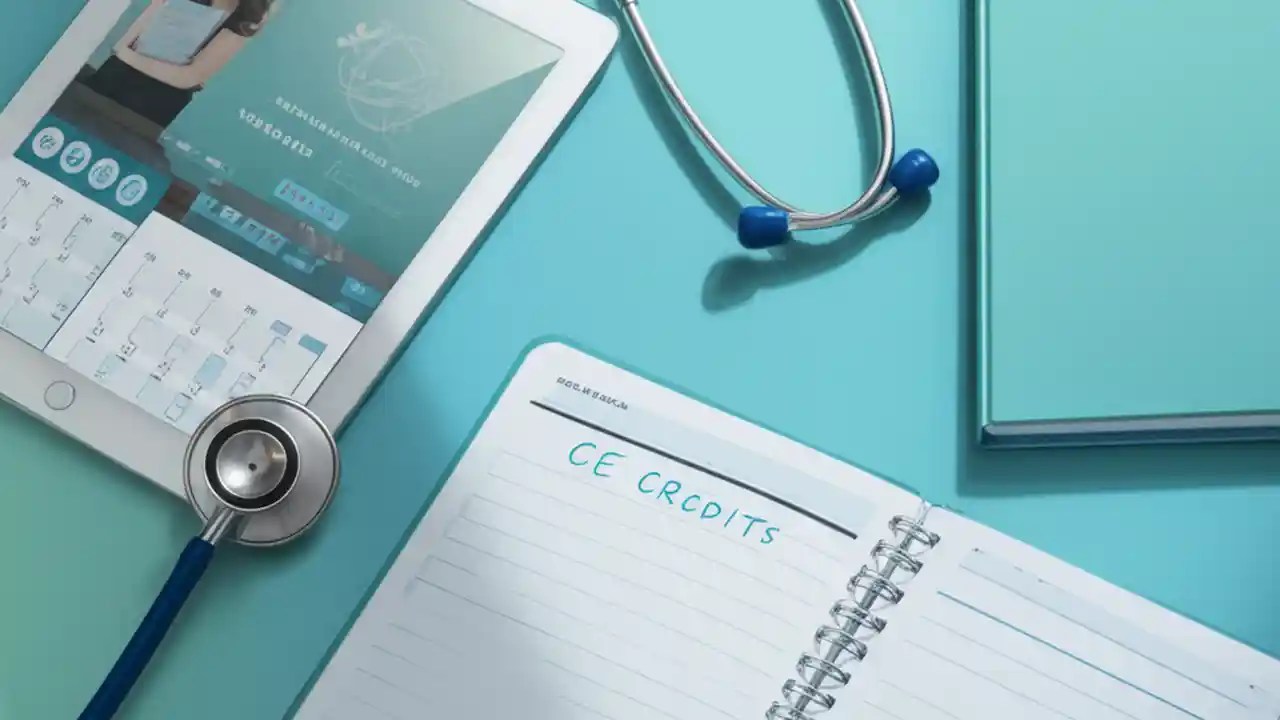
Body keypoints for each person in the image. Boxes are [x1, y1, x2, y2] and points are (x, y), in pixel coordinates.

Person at [87, 0, 273, 127]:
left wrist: (126, 55)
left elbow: (189, 77)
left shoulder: (243, 21)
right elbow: (127, 38)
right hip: (114, 74)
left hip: (154, 101)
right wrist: (124, 53)